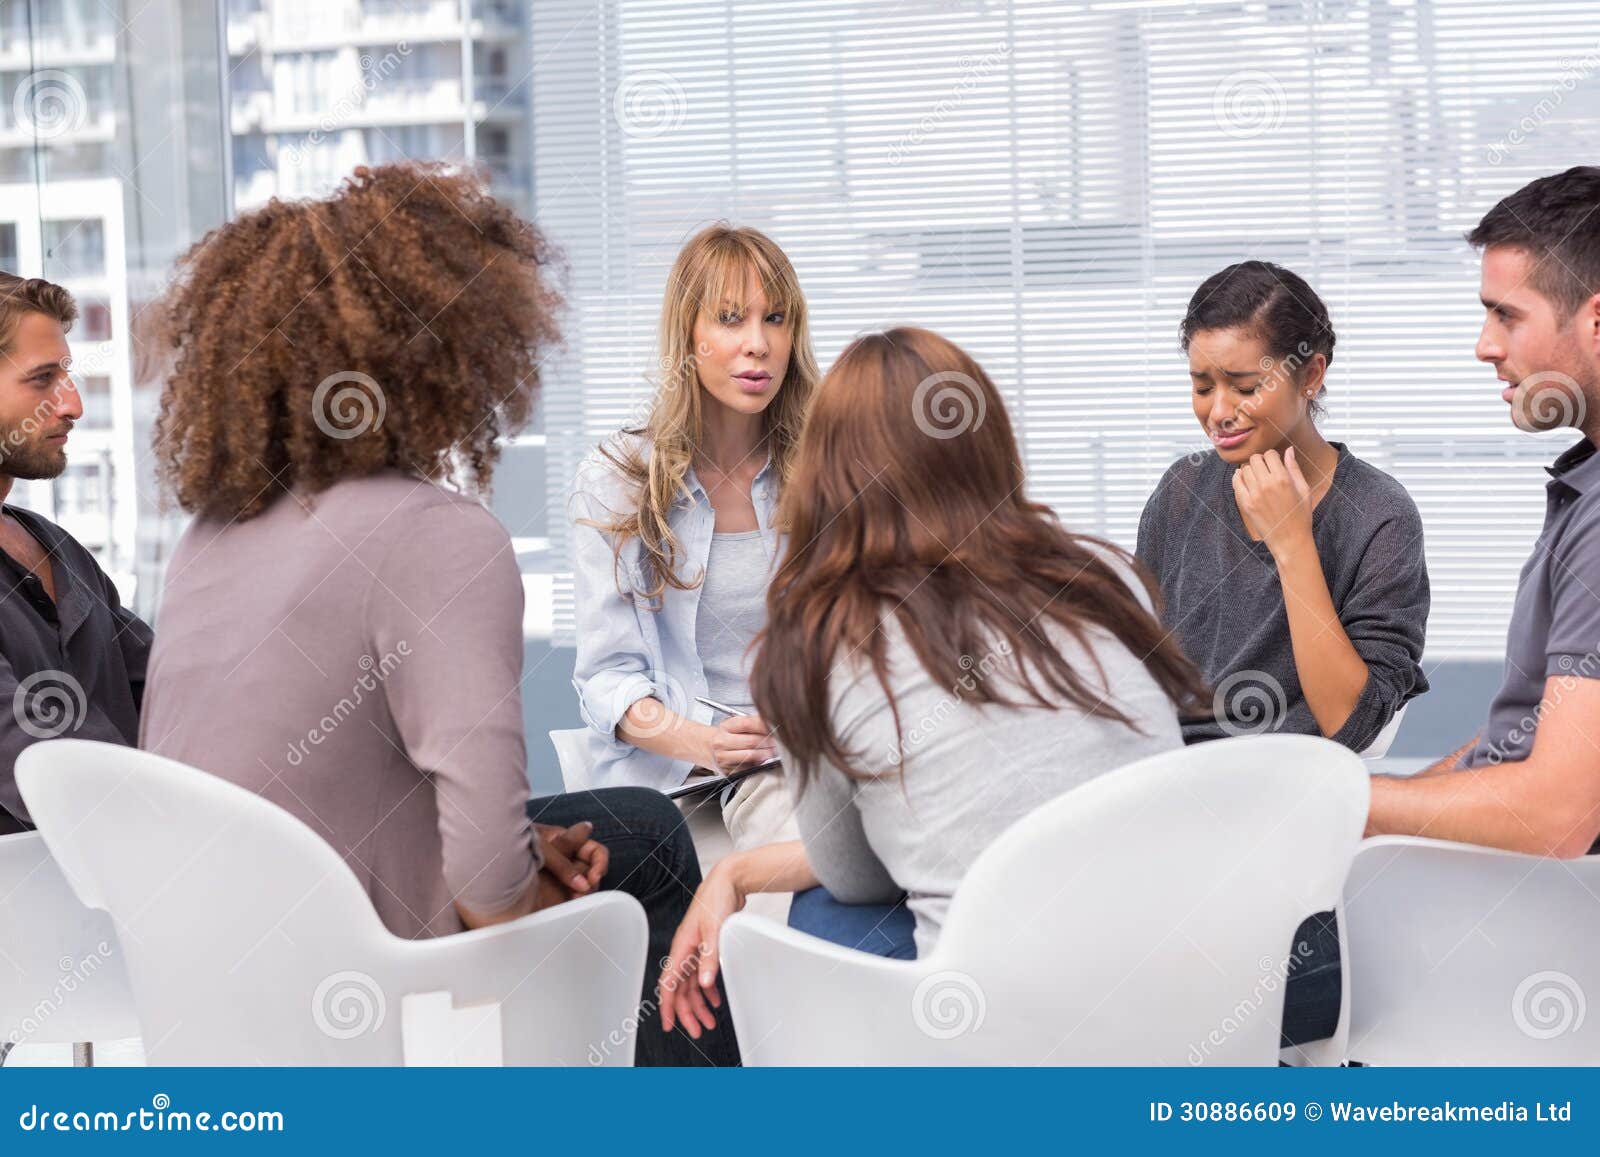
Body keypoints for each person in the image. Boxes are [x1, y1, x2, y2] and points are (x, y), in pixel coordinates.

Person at [138, 163, 735, 1066]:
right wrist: (528, 889)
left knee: (630, 827)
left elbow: (325, 780)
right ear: (452, 351)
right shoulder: (438, 536)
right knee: (648, 855)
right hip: (350, 949)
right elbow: (490, 892)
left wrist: (524, 845)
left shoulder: (211, 537)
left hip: (201, 957)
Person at [654, 327, 1208, 1039]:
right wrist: (740, 871)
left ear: (826, 474)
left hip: (1004, 1043)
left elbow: (855, 875)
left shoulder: (821, 636)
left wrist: (736, 872)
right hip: (1188, 999)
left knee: (822, 915)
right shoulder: (1103, 577)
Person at [1367, 166, 1600, 859]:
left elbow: (1558, 817)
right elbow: (1526, 732)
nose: (1484, 345)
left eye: (1507, 314)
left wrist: (1338, 801)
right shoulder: (1585, 483)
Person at [568, 224, 819, 862]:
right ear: (690, 334)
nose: (757, 344)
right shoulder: (618, 477)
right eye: (731, 320)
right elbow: (606, 679)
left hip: (804, 761)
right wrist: (703, 742)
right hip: (674, 779)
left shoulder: (825, 467)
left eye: (776, 319)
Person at [1136, 260, 1430, 752]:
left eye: (1246, 387)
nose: (1220, 413)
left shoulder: (1380, 515)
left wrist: (1292, 542)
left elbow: (1351, 724)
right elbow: (1137, 662)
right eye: (1202, 387)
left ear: (1311, 374)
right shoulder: (1182, 489)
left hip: (1291, 777)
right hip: (1166, 770)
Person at [0, 273, 152, 835]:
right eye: (43, 379)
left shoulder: (56, 547)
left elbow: (165, 690)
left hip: (111, 903)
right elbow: (47, 768)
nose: (73, 405)